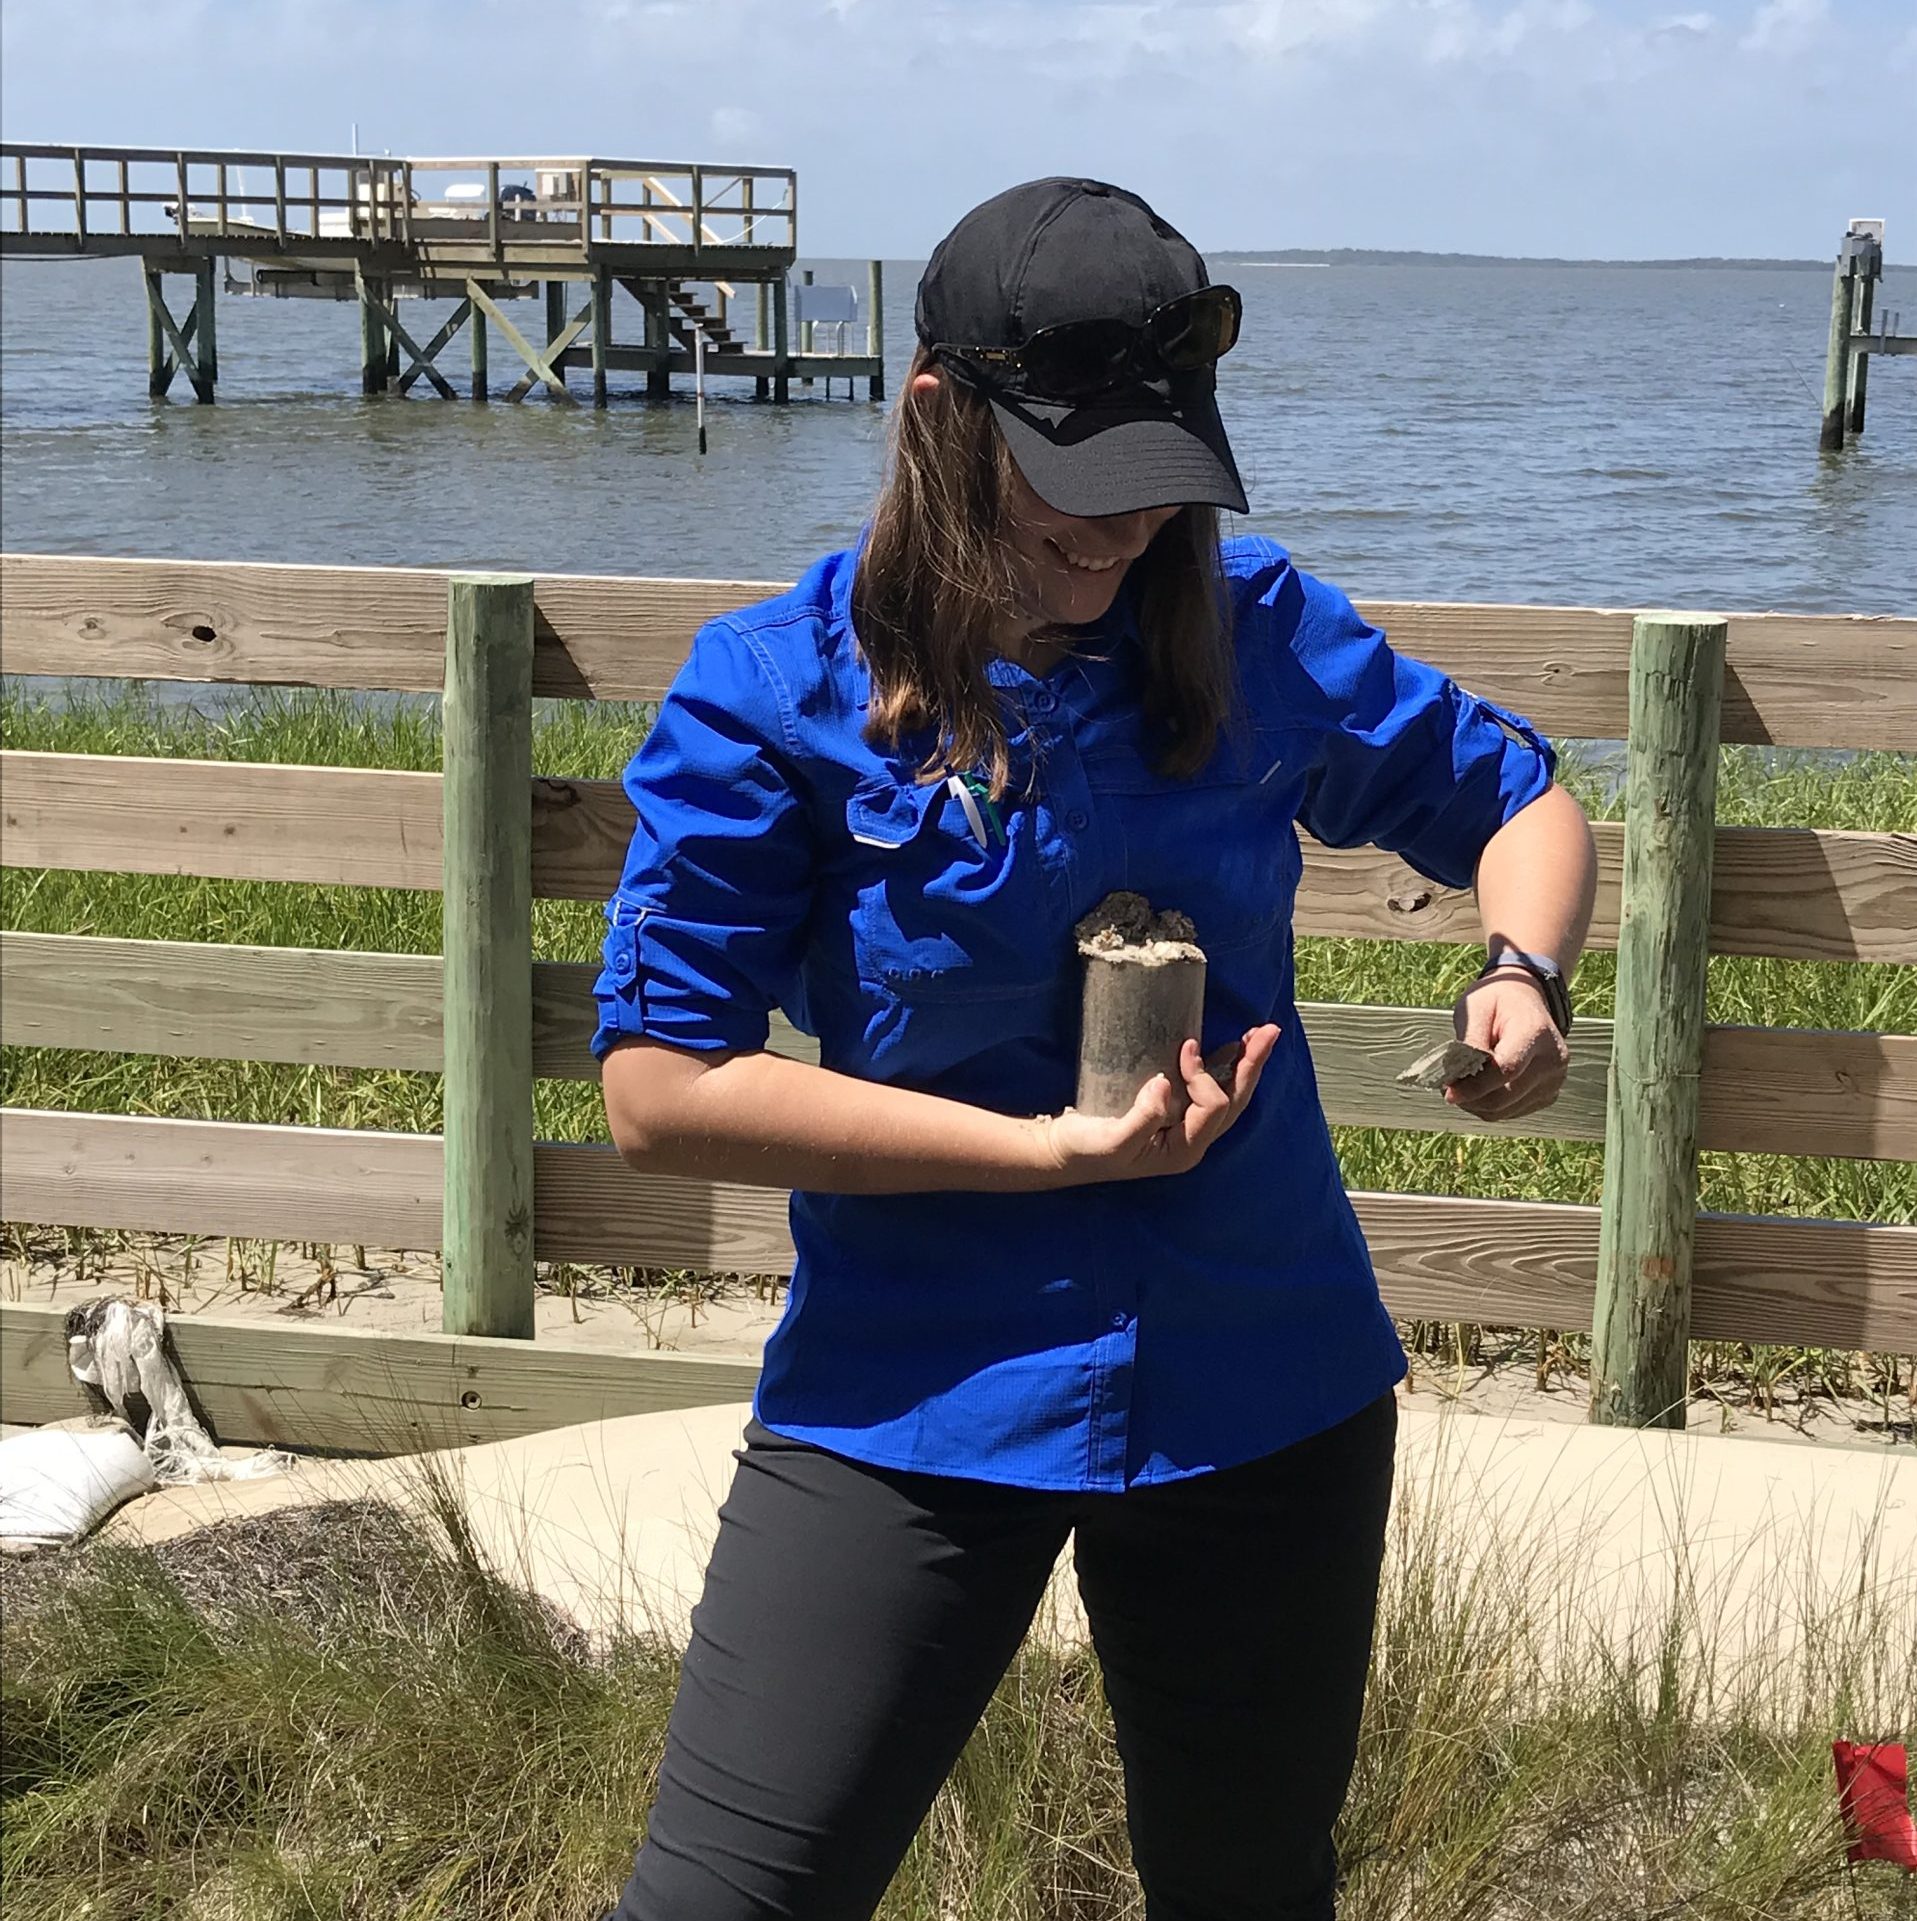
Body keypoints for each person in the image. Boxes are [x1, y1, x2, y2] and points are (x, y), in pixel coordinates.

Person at [591, 177, 1598, 1920]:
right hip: (910, 1388)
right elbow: (657, 1091)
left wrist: (1526, 974)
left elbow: (1521, 799)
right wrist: (1043, 1155)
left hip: (1259, 1373)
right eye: (1074, 485)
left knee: (1247, 1887)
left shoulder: (1253, 622)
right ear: (937, 418)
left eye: (1157, 486)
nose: (1119, 535)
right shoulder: (767, 693)